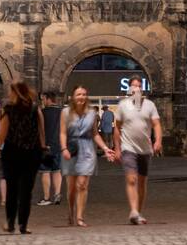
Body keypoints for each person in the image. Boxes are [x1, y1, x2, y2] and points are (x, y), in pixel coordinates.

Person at [0, 81, 46, 234]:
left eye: (11, 92)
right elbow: (41, 133)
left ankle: (10, 223)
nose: (9, 94)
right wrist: (42, 148)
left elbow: (1, 135)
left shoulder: (9, 110)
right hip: (32, 154)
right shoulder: (35, 109)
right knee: (27, 191)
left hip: (12, 154)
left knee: (12, 190)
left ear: (16, 93)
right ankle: (23, 225)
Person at [60, 86, 111, 227]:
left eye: (84, 94)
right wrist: (63, 148)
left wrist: (105, 148)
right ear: (73, 97)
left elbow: (94, 133)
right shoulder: (65, 112)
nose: (81, 97)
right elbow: (63, 132)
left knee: (82, 184)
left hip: (87, 150)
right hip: (70, 149)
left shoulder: (91, 113)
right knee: (71, 187)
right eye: (78, 94)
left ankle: (80, 216)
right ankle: (70, 211)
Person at [112, 77, 161, 225]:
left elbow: (156, 124)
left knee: (142, 181)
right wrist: (117, 148)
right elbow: (117, 127)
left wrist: (158, 141)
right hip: (129, 148)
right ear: (129, 89)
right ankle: (133, 210)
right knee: (131, 178)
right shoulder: (123, 105)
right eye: (134, 86)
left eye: (139, 86)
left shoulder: (150, 105)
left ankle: (138, 212)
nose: (136, 89)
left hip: (145, 149)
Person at [37, 91, 63, 206]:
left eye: (43, 99)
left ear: (48, 99)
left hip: (45, 146)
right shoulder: (62, 112)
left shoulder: (42, 113)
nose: (42, 102)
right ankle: (57, 195)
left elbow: (39, 131)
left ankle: (46, 198)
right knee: (57, 171)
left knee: (45, 172)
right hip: (59, 145)